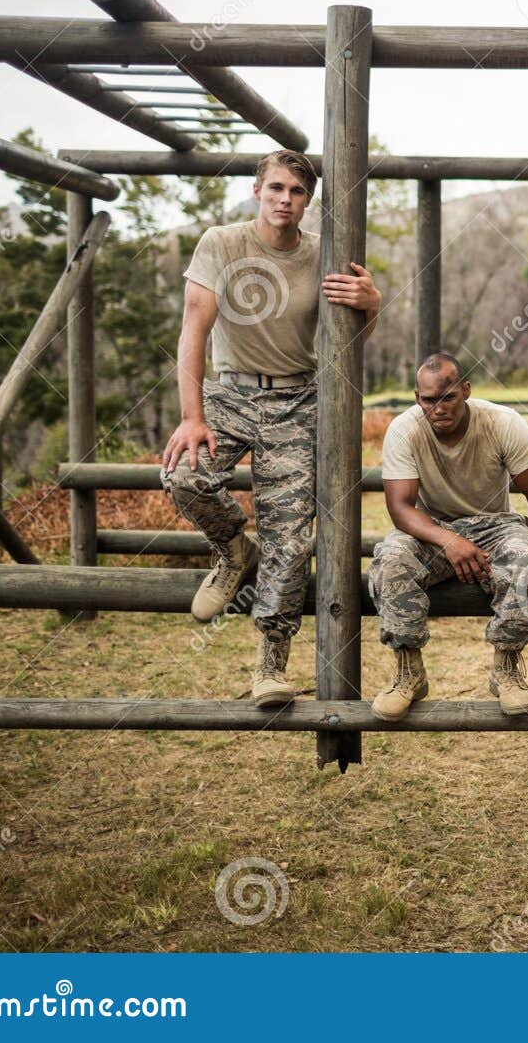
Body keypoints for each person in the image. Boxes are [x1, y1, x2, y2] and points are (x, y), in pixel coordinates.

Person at [161, 149, 381, 707]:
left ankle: (270, 664)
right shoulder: (222, 243)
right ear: (258, 190)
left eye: (298, 192)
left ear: (309, 200)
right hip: (230, 392)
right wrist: (193, 417)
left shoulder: (322, 254)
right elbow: (193, 331)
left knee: (289, 536)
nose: (286, 200)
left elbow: (349, 341)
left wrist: (372, 306)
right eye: (277, 188)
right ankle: (233, 550)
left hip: (297, 400)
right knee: (185, 477)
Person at [365, 354, 528, 721]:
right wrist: (448, 541)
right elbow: (401, 508)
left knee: (526, 559)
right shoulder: (405, 429)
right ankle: (408, 670)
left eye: (447, 397)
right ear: (416, 397)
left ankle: (507, 666)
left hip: (494, 526)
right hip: (432, 527)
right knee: (390, 558)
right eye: (427, 400)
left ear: (465, 390)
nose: (437, 408)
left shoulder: (502, 423)